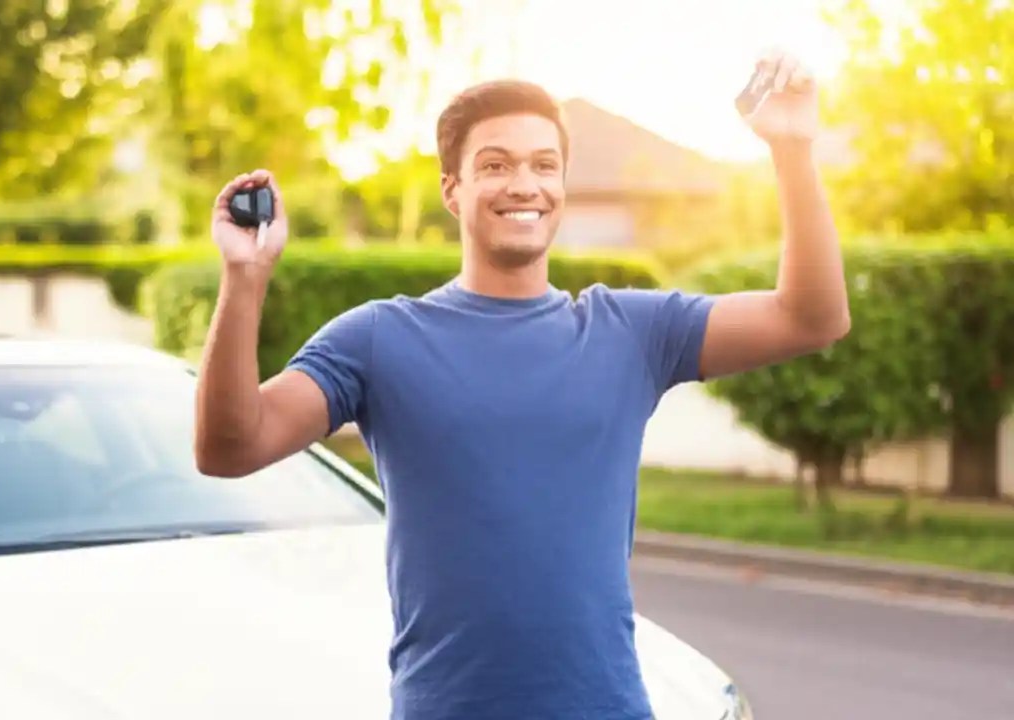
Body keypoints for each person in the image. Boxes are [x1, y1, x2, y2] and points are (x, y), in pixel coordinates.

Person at [194, 49, 849, 720]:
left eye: (544, 165)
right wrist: (244, 279)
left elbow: (813, 317)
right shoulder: (378, 340)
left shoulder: (630, 333)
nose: (524, 185)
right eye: (496, 165)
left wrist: (793, 150)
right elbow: (230, 447)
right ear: (452, 190)